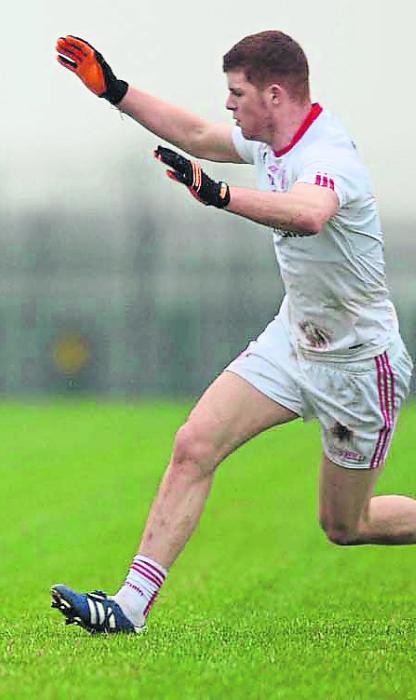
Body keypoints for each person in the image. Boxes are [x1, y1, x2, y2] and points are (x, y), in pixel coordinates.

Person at [49, 31, 415, 633]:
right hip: (294, 338)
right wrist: (113, 90)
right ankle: (129, 608)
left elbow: (309, 213)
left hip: (358, 363)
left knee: (347, 526)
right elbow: (195, 136)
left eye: (236, 93)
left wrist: (219, 196)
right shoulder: (270, 141)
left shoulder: (328, 156)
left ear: (274, 95)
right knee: (195, 444)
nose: (228, 105)